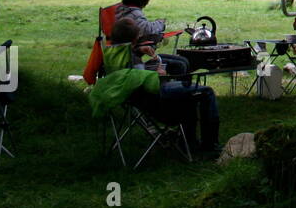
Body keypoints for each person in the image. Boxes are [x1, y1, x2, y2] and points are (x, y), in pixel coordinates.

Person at [92, 16, 221, 156]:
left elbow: (130, 75)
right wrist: (159, 74)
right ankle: (209, 145)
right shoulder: (133, 60)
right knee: (206, 92)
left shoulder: (113, 53)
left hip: (132, 98)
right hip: (156, 99)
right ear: (135, 38)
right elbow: (144, 82)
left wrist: (138, 50)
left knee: (183, 77)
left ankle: (189, 142)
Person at [111, 0, 189, 79]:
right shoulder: (132, 14)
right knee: (180, 65)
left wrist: (138, 49)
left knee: (183, 61)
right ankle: (174, 90)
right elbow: (148, 29)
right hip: (132, 66)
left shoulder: (120, 10)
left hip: (131, 54)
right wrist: (160, 23)